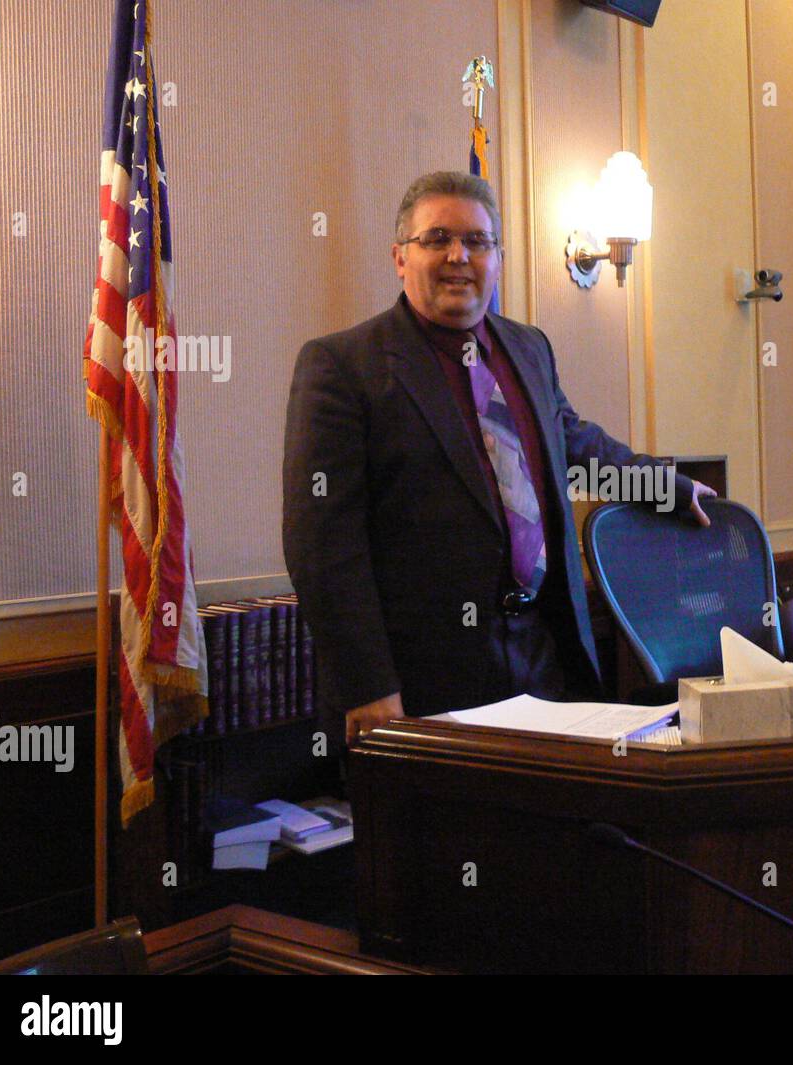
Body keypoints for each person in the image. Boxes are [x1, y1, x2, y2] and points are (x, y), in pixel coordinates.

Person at [282, 171, 715, 742]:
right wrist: (367, 684)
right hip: (422, 683)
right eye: (436, 239)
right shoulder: (343, 366)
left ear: (498, 258)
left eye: (477, 241)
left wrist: (668, 489)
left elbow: (572, 447)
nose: (458, 256)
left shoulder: (528, 348)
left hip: (546, 655)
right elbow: (322, 546)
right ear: (399, 258)